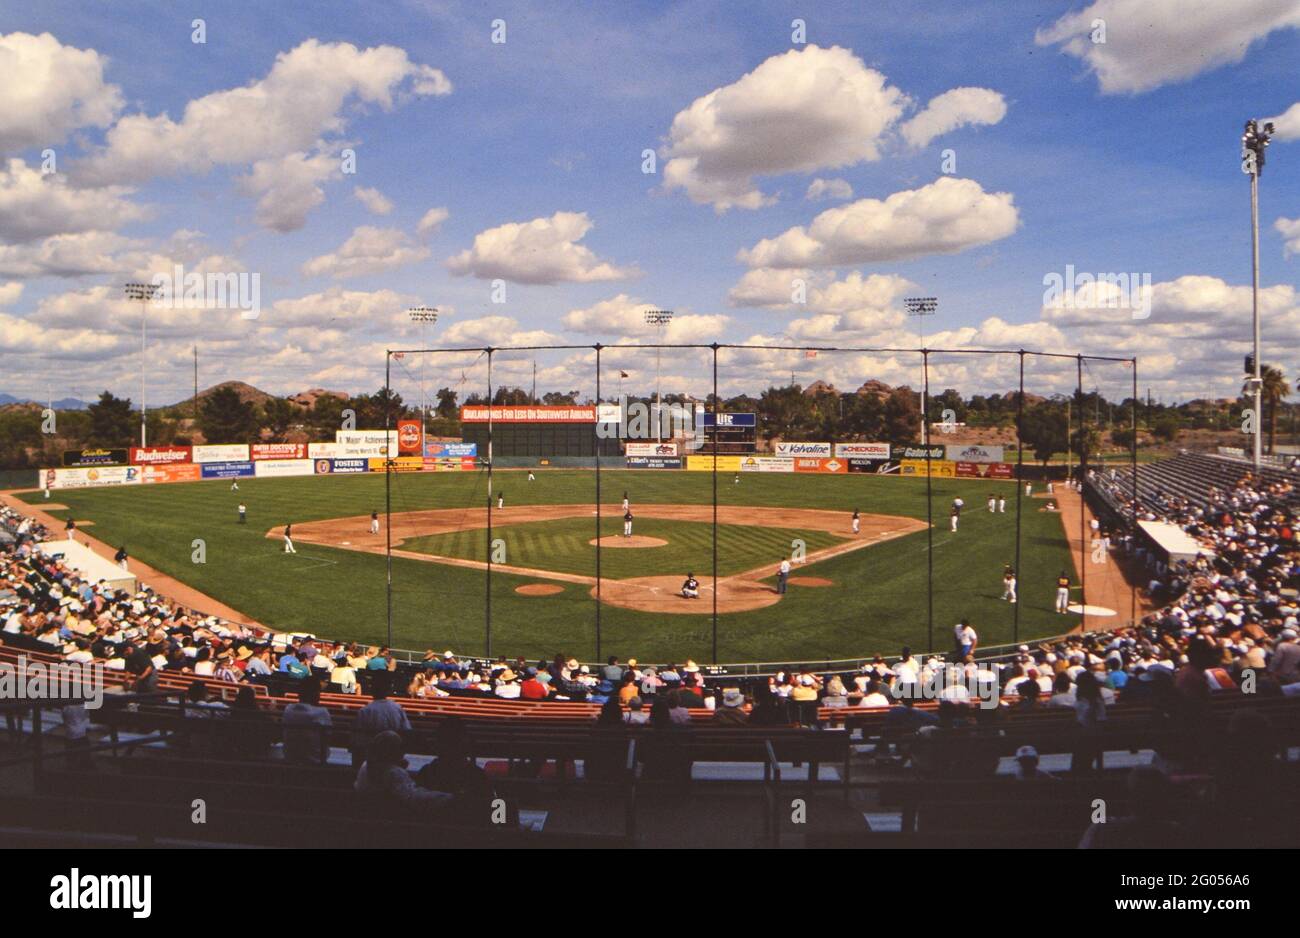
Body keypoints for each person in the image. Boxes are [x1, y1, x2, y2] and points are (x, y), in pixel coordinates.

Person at [356, 730, 454, 816]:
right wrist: (447, 798)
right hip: (391, 817)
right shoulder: (393, 773)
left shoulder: (366, 766)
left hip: (372, 814)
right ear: (393, 751)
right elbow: (413, 798)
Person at [350, 676, 412, 767]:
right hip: (390, 753)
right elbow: (407, 730)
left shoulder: (366, 710)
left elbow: (357, 737)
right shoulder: (397, 708)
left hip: (373, 754)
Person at [282, 677, 332, 764]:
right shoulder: (322, 712)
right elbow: (328, 738)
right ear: (315, 694)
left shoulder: (288, 709)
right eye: (318, 692)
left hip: (290, 759)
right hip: (316, 761)